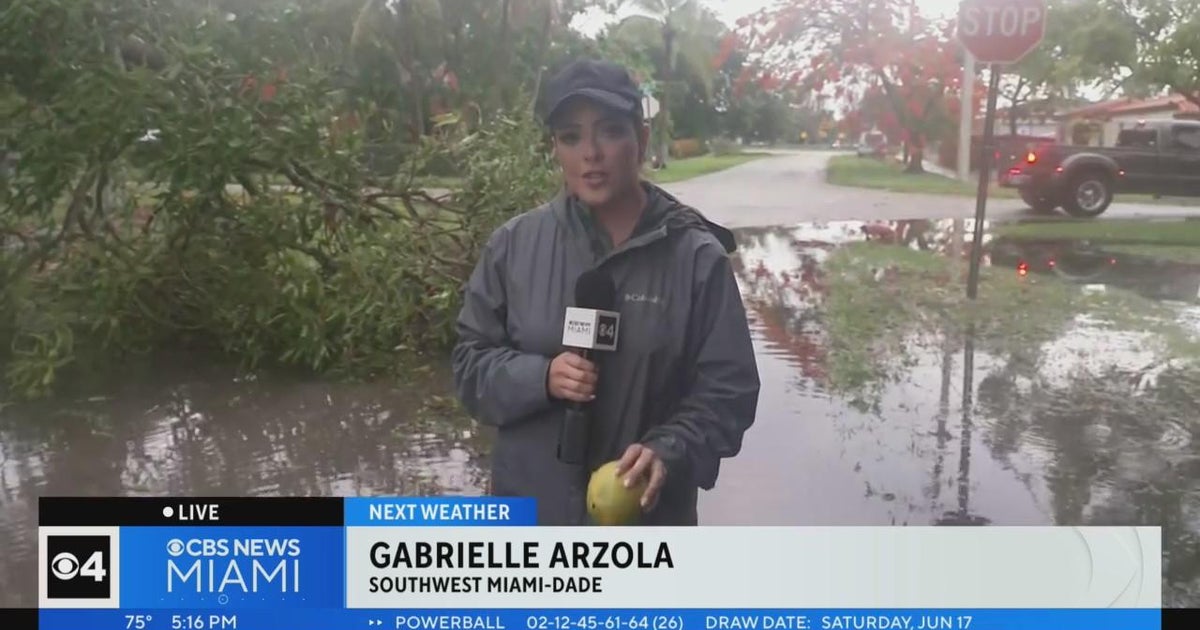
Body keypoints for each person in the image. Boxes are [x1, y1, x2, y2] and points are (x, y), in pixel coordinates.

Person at [451, 58, 760, 526]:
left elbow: (728, 391)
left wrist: (669, 449)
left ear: (642, 139)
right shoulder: (512, 246)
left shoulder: (697, 259)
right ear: (555, 148)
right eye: (571, 136)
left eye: (610, 131)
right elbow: (469, 365)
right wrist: (541, 377)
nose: (590, 153)